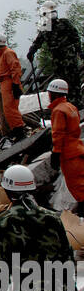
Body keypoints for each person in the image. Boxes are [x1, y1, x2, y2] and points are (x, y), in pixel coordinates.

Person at [28, 1, 83, 108]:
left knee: (74, 82)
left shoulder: (64, 23)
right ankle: (66, 104)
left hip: (69, 58)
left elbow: (75, 37)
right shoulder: (45, 27)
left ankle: (77, 104)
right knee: (61, 83)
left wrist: (79, 51)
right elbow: (38, 41)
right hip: (57, 60)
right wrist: (32, 51)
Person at [47, 78, 84, 216]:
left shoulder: (58, 111)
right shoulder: (70, 107)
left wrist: (55, 153)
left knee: (77, 186)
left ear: (54, 94)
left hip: (68, 154)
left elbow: (58, 134)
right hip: (77, 148)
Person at [0, 33, 25, 138]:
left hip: (9, 83)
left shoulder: (7, 53)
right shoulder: (2, 53)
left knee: (11, 109)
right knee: (8, 109)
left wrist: (15, 84)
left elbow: (15, 68)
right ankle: (16, 132)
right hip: (6, 83)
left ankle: (19, 133)